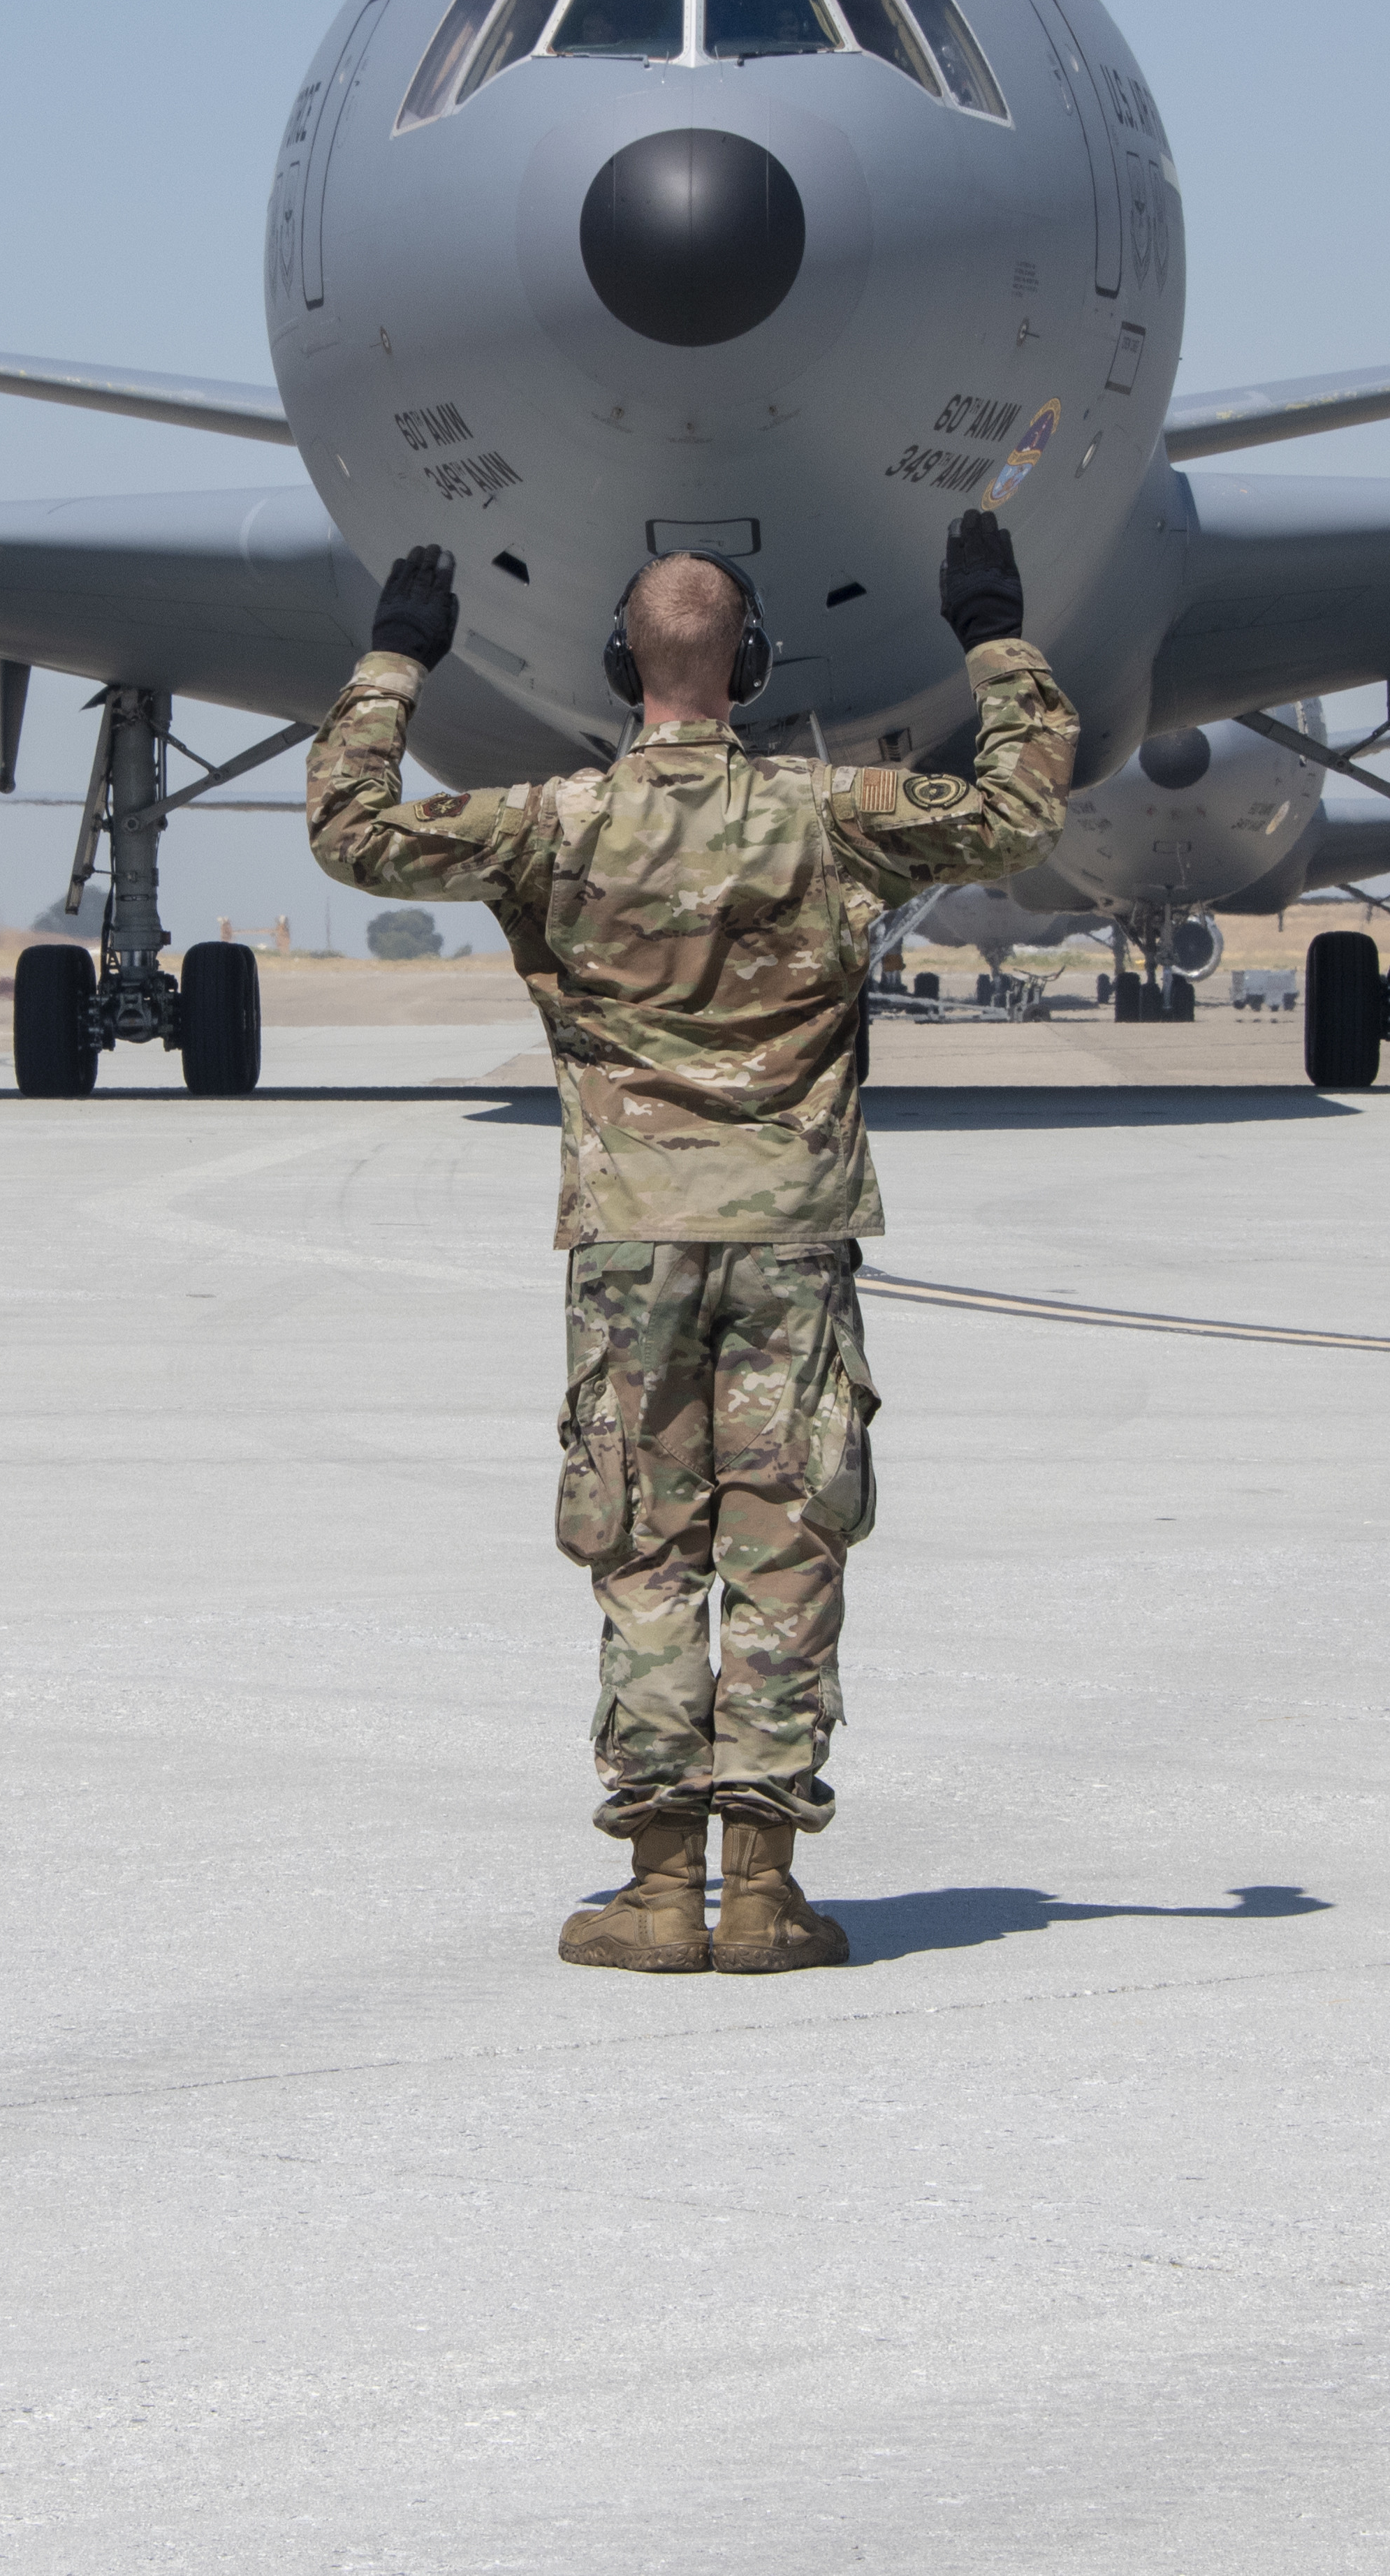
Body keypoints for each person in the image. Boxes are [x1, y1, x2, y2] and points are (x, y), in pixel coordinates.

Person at [307, 513, 1073, 1973]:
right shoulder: (830, 814)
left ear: (621, 668)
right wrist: (994, 631)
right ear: (755, 668)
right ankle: (767, 1893)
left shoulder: (556, 825)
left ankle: (661, 1896)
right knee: (783, 1549)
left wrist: (397, 659)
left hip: (632, 1240)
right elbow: (1021, 812)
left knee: (646, 1551)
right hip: (790, 1237)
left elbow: (351, 832)